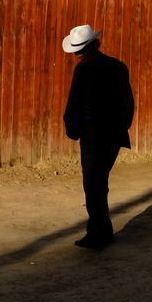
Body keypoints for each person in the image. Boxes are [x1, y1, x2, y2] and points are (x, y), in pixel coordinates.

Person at [62, 25, 134, 250]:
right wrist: (120, 128)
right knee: (98, 183)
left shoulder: (83, 70)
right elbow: (127, 104)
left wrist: (73, 129)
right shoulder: (118, 67)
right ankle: (101, 230)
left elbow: (74, 104)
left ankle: (99, 232)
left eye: (80, 50)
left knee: (93, 184)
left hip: (94, 137)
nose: (79, 54)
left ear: (92, 46)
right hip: (112, 135)